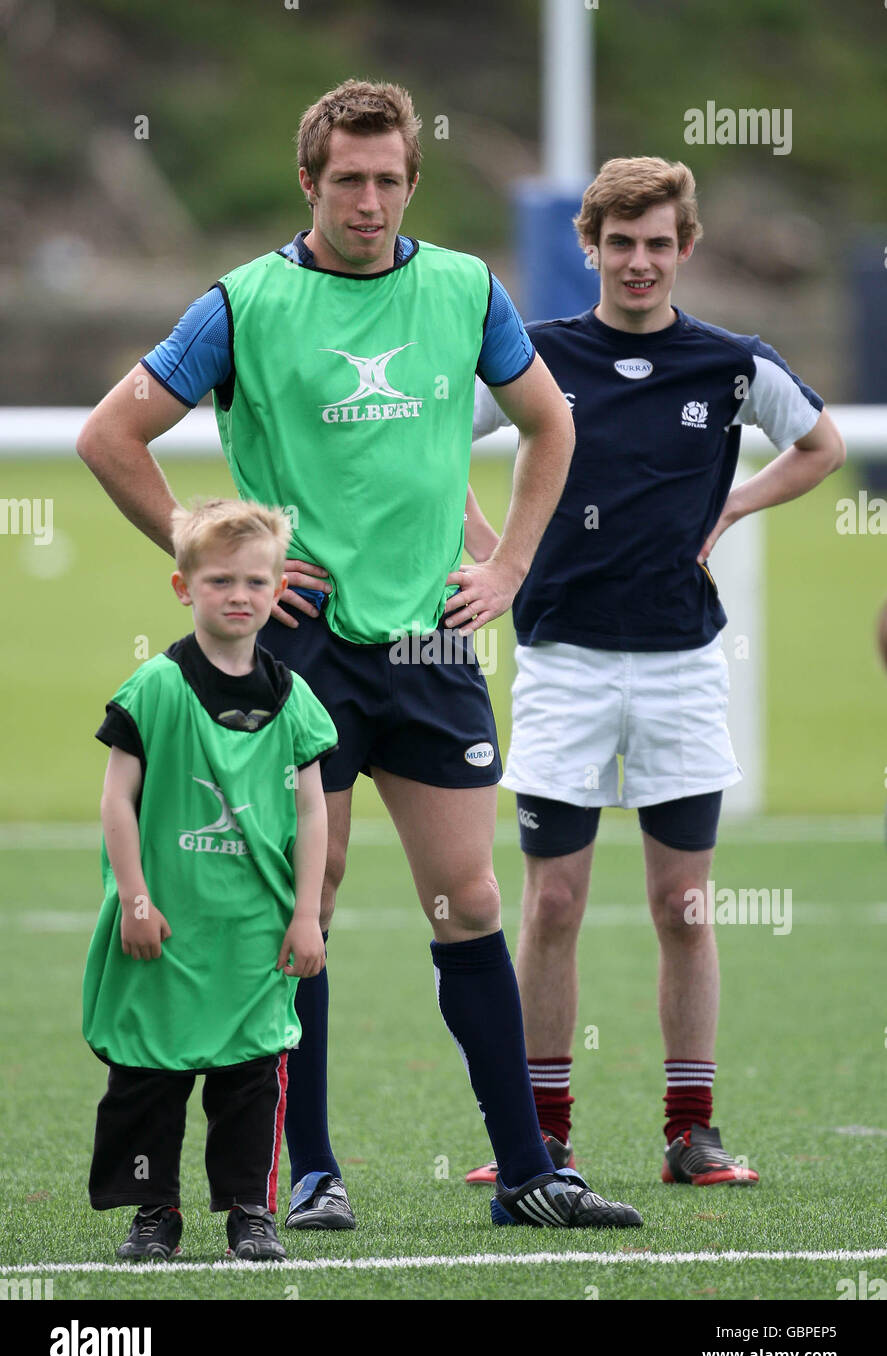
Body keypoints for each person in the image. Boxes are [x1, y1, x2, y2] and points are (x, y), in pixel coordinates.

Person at [76, 80, 642, 1231]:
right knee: (307, 902)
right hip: (298, 653)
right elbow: (108, 434)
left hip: (433, 643)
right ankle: (314, 1171)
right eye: (348, 180)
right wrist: (217, 553)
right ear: (309, 182)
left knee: (469, 895)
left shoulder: (462, 290)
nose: (370, 200)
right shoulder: (242, 302)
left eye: (388, 179)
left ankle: (526, 1172)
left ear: (410, 182)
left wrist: (511, 569)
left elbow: (551, 424)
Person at [468, 156, 846, 1187]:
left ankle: (690, 1131)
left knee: (682, 905)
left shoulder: (729, 363)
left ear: (686, 248)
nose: (638, 262)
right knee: (550, 905)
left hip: (681, 664)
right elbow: (425, 446)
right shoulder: (533, 358)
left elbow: (819, 445)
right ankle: (539, 1134)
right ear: (586, 247)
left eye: (657, 243)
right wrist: (490, 551)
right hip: (560, 662)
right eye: (618, 243)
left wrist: (733, 505)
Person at [83, 499, 337, 1260]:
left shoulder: (293, 697)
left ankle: (248, 1213)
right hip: (164, 926)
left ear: (276, 589)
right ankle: (153, 1211)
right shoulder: (154, 688)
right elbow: (115, 801)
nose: (239, 595)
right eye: (220, 579)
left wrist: (305, 917)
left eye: (256, 581)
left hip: (252, 933)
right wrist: (134, 898)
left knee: (250, 1078)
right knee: (148, 1077)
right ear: (182, 586)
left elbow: (315, 815)